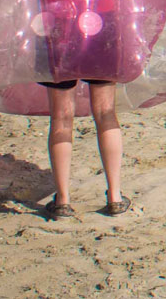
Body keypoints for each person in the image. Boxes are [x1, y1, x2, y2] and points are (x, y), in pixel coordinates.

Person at [41, 80, 126, 219]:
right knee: (106, 113)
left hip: (61, 58)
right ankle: (115, 198)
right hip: (100, 58)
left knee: (61, 119)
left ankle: (62, 201)